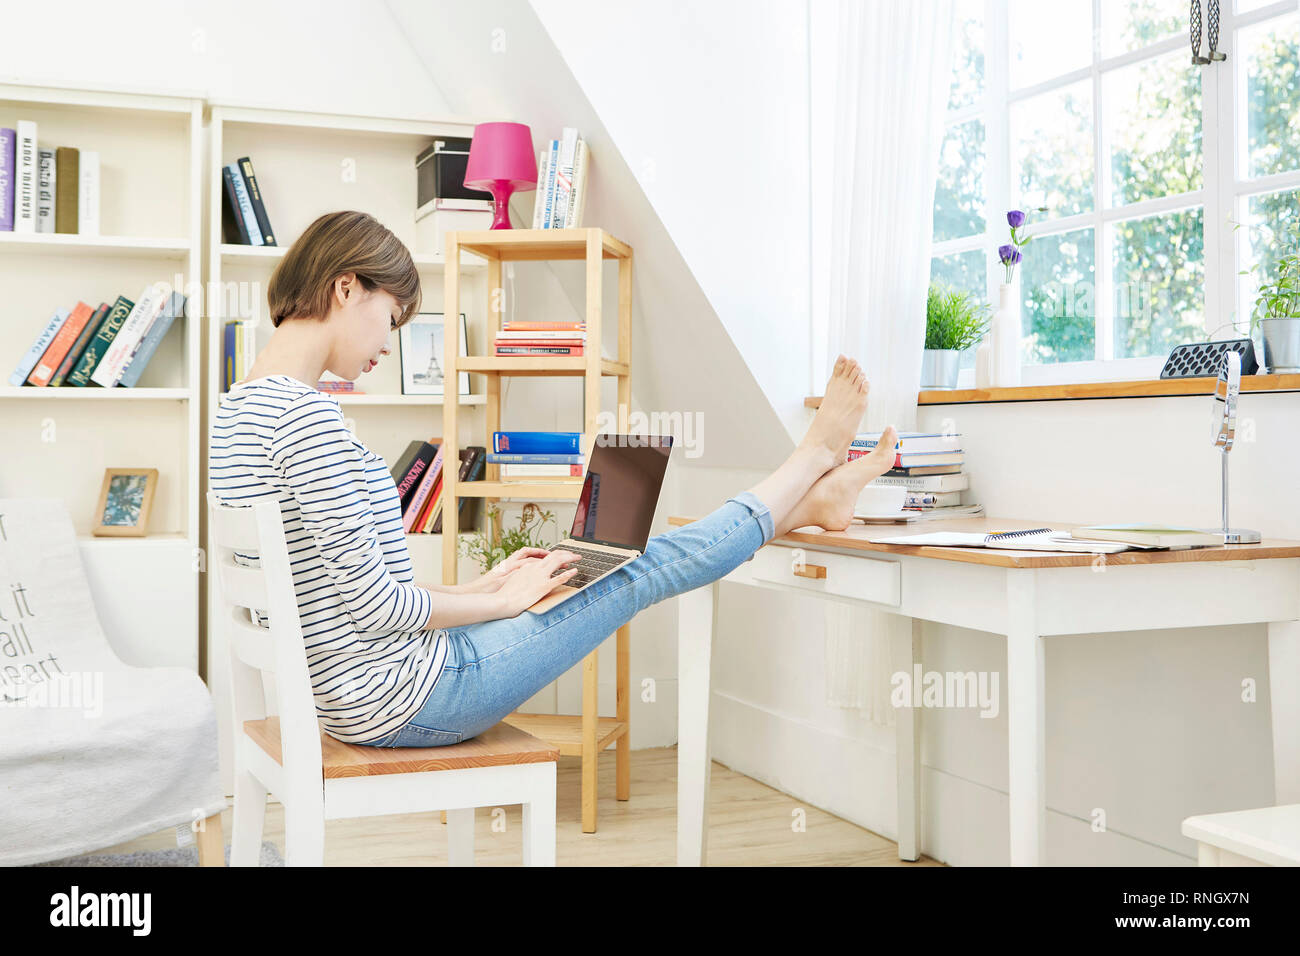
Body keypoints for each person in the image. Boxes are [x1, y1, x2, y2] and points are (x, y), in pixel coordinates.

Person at [210, 210, 898, 749]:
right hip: (411, 697)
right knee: (636, 569)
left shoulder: (238, 410)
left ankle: (810, 501)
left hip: (365, 692)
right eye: (391, 318)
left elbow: (351, 597)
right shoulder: (306, 419)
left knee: (604, 562)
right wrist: (507, 604)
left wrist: (489, 586)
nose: (388, 343)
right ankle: (811, 459)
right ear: (345, 287)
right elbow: (376, 609)